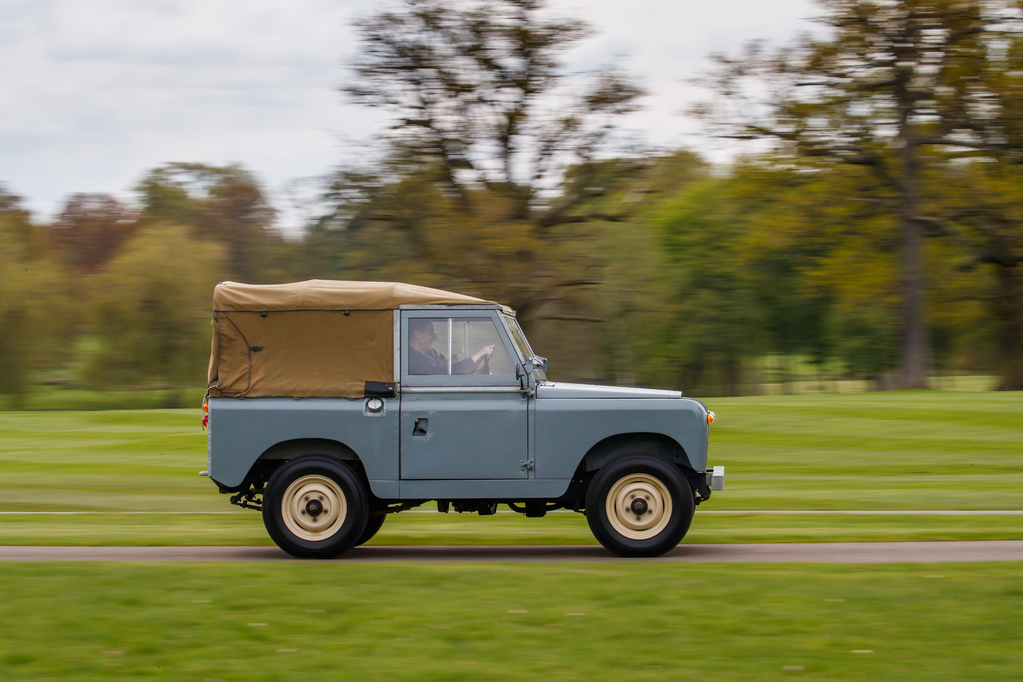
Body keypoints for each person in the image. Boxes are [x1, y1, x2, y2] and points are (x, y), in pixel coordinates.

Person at [408, 319, 494, 375]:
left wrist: (472, 371)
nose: (435, 337)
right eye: (431, 332)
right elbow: (438, 375)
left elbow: (439, 372)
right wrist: (478, 355)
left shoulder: (426, 357)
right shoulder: (412, 360)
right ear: (417, 333)